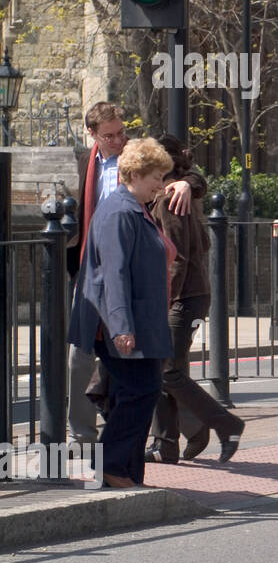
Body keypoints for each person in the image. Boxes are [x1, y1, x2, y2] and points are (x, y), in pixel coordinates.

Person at [66, 103, 202, 445]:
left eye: (121, 131)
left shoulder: (136, 159)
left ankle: (151, 439)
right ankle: (82, 434)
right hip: (91, 270)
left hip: (129, 273)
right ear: (92, 134)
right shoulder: (84, 162)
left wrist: (186, 183)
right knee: (81, 359)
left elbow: (184, 170)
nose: (117, 139)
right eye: (108, 135)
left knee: (140, 370)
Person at [69, 138, 175, 488]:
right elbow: (112, 273)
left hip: (139, 322)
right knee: (141, 390)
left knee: (136, 392)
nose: (161, 184)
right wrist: (120, 327)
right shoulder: (117, 211)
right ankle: (112, 465)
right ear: (134, 174)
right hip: (117, 323)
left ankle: (125, 471)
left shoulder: (136, 208)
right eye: (156, 177)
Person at [145, 135, 246, 465]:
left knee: (168, 372)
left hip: (183, 297)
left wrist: (164, 301)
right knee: (160, 369)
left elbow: (177, 257)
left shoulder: (167, 198)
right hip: (189, 294)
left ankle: (225, 425)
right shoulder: (175, 191)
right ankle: (166, 444)